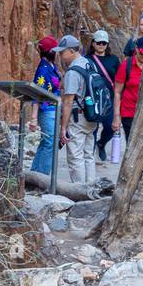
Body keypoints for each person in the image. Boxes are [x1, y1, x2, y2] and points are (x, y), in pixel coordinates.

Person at [56, 35, 97, 185]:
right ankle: (91, 188)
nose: (60, 56)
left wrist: (63, 128)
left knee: (75, 156)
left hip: (78, 117)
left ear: (72, 51)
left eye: (62, 52)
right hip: (92, 116)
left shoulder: (72, 72)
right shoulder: (89, 64)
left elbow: (68, 102)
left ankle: (79, 190)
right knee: (88, 154)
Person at [84, 30, 120, 160]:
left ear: (107, 44)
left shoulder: (114, 60)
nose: (101, 45)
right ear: (93, 43)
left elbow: (119, 80)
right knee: (92, 128)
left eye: (104, 43)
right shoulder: (86, 60)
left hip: (108, 100)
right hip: (92, 100)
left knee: (111, 128)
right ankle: (90, 156)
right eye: (98, 42)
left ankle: (101, 143)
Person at [28, 35, 60, 175]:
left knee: (46, 142)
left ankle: (35, 173)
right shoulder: (43, 69)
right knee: (50, 143)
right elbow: (37, 93)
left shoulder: (51, 66)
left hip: (53, 109)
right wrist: (34, 118)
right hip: (47, 110)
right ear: (50, 51)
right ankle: (43, 176)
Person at [112, 35, 143, 143]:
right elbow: (117, 92)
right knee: (132, 144)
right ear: (136, 49)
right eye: (142, 54)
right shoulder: (126, 65)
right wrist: (116, 117)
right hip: (129, 113)